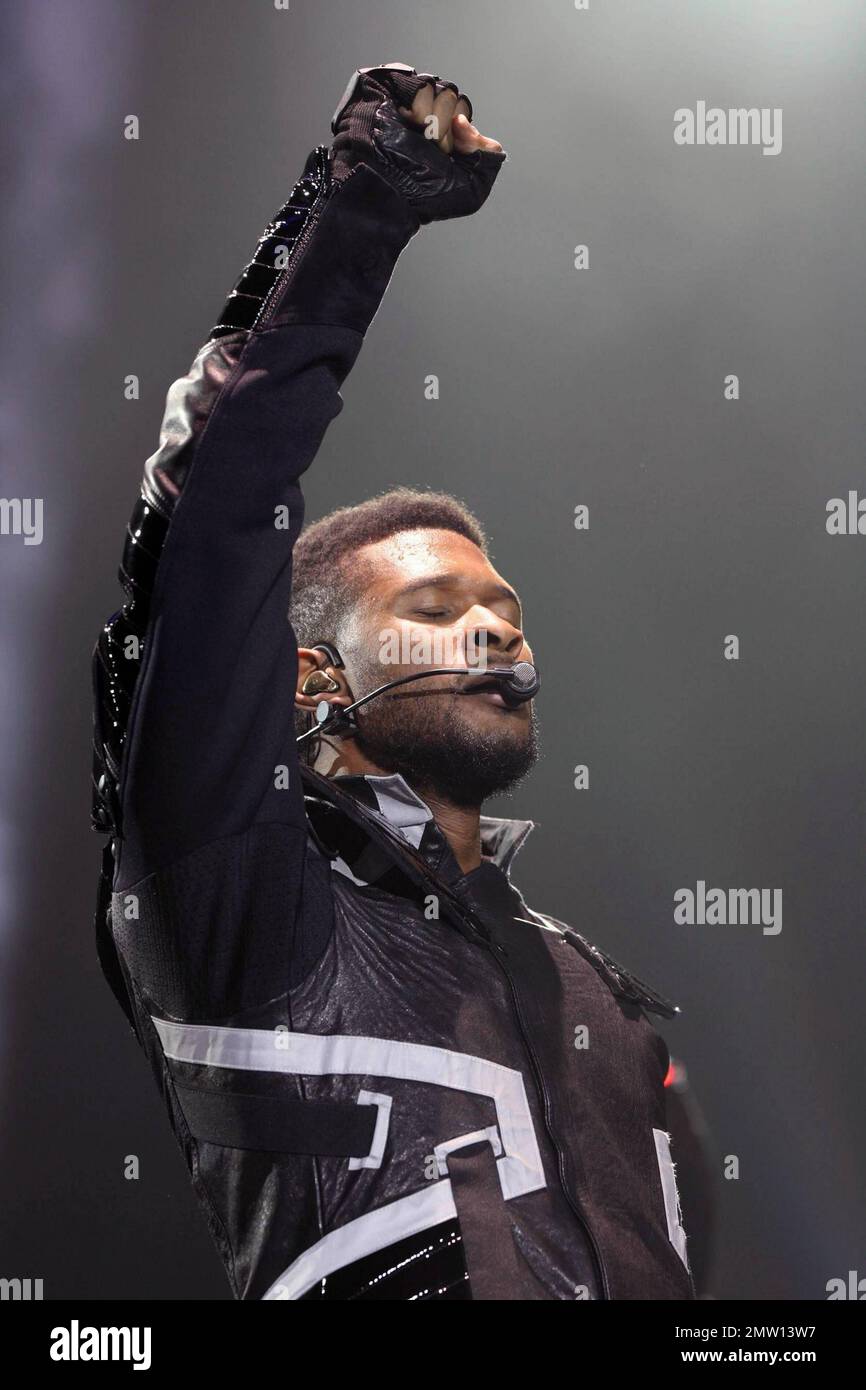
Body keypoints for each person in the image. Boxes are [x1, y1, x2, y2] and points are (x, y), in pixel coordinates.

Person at [91, 62, 702, 1300]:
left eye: (505, 612)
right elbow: (212, 514)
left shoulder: (595, 989)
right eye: (435, 611)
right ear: (312, 677)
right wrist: (364, 201)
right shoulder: (240, 890)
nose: (493, 633)